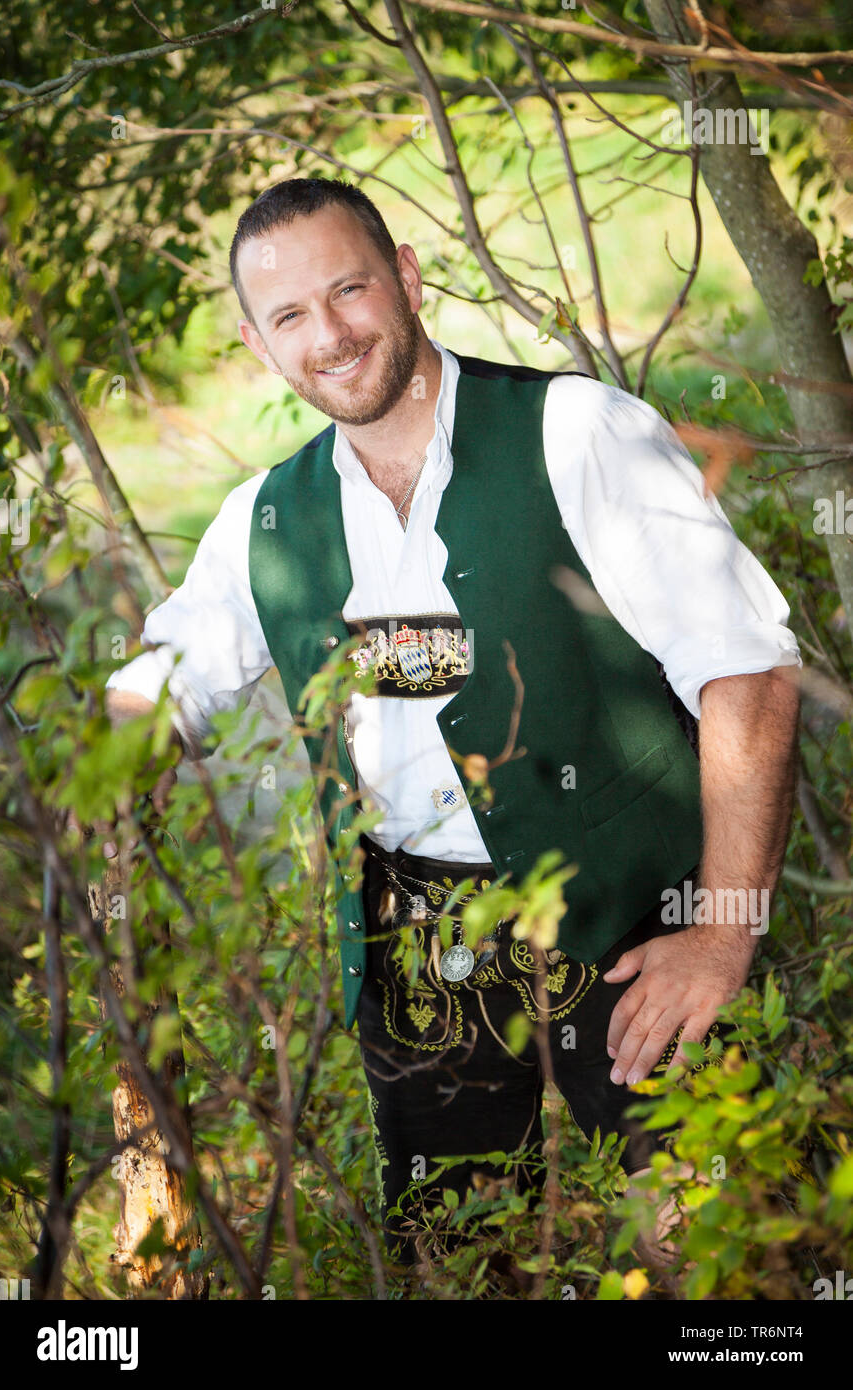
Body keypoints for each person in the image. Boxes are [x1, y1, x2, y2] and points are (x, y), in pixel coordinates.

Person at [104, 176, 802, 1270]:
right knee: (464, 1265)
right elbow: (163, 681)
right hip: (420, 960)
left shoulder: (576, 433)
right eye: (290, 316)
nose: (329, 335)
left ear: (407, 278)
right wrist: (98, 757)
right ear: (257, 343)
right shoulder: (265, 522)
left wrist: (720, 932)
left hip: (629, 916)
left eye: (349, 290)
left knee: (711, 1260)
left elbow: (748, 673)